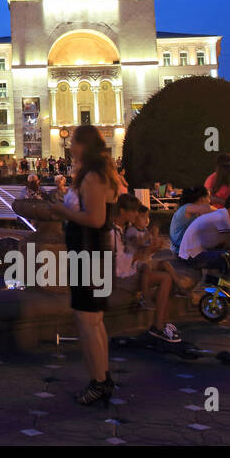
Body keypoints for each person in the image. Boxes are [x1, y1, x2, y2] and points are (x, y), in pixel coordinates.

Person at [46, 124, 118, 407]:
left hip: (90, 253)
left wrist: (61, 210)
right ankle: (103, 377)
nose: (71, 146)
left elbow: (96, 219)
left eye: (74, 142)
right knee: (94, 320)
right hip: (92, 252)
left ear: (84, 145)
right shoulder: (97, 175)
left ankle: (98, 383)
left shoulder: (92, 177)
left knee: (88, 321)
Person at [113, 194, 184, 343]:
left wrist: (150, 249)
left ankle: (162, 323)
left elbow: (131, 255)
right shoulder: (114, 232)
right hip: (123, 276)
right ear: (122, 211)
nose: (136, 214)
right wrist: (148, 250)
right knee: (165, 278)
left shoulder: (121, 229)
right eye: (133, 211)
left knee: (165, 272)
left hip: (129, 269)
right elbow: (123, 262)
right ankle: (158, 325)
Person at [168, 185, 213, 250]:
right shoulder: (187, 208)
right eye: (208, 197)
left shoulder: (192, 210)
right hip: (183, 253)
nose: (209, 201)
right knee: (223, 257)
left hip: (184, 250)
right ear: (202, 199)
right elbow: (206, 209)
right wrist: (225, 212)